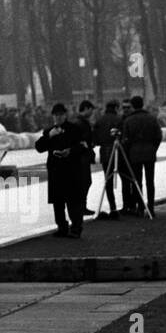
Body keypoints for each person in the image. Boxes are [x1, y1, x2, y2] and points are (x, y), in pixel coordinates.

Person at [35, 103, 90, 238]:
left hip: (71, 169)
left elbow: (83, 146)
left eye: (60, 115)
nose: (58, 117)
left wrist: (70, 151)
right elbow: (39, 147)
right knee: (58, 202)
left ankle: (76, 227)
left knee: (73, 201)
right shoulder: (49, 131)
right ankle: (62, 226)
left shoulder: (74, 129)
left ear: (65, 115)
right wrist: (49, 136)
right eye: (56, 115)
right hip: (56, 170)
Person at [122, 95, 162, 217]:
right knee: (150, 181)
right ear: (142, 104)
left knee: (137, 181)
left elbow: (125, 139)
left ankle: (140, 207)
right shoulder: (151, 118)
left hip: (135, 153)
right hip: (149, 152)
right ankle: (151, 207)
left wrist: (130, 150)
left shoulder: (129, 120)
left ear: (132, 106)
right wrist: (154, 148)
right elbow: (158, 136)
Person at [92, 100, 125, 220]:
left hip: (105, 152)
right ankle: (127, 206)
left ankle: (113, 207)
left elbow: (95, 139)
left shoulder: (100, 120)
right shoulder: (119, 120)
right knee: (125, 179)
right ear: (116, 107)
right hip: (118, 151)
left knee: (108, 181)